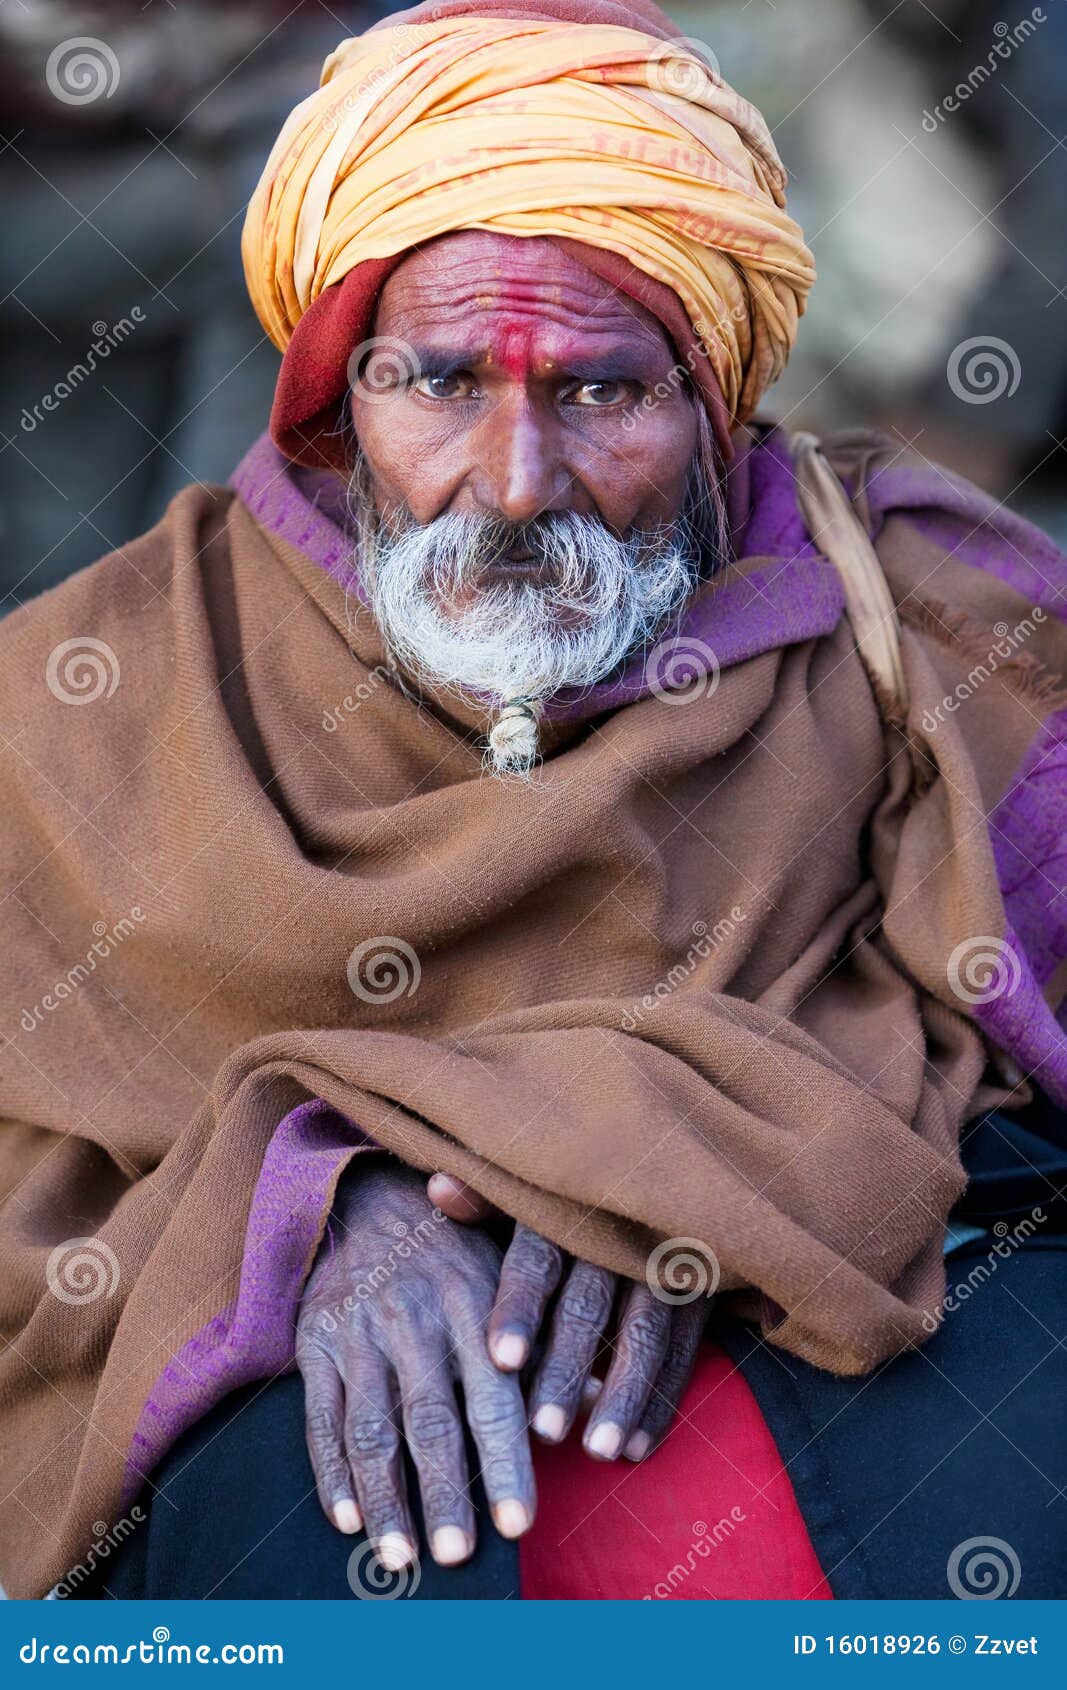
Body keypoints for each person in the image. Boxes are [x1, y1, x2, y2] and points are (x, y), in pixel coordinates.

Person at [1, 0, 1065, 1602]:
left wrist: (643, 1139)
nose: (510, 483)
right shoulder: (86, 707)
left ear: (715, 407)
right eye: (436, 382)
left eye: (597, 394)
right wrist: (290, 1205)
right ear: (327, 400)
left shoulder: (942, 636)